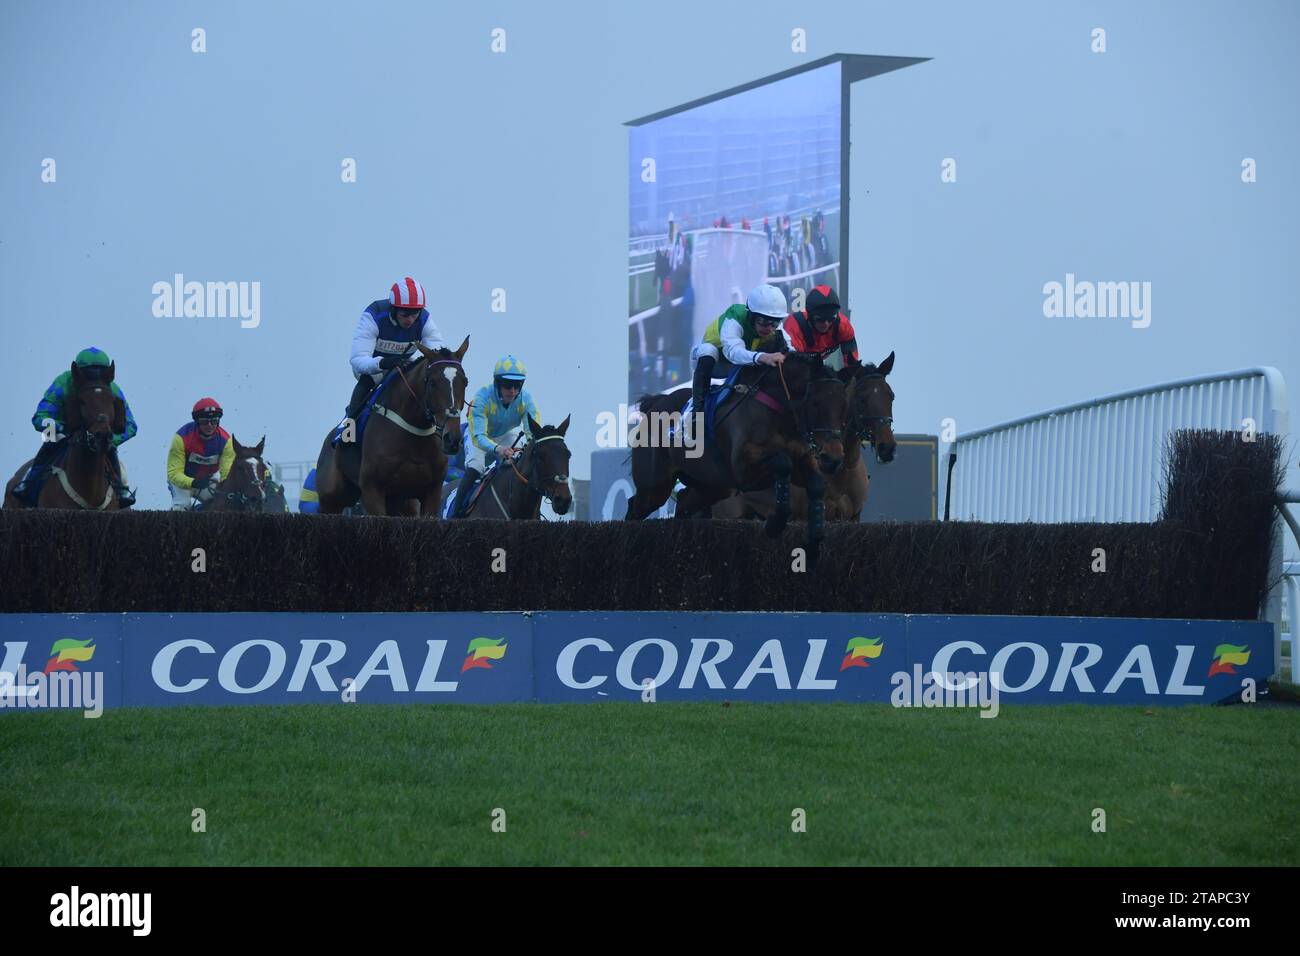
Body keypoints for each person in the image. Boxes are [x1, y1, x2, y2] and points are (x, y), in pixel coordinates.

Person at [13, 347, 137, 507]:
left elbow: (131, 426)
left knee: (111, 450)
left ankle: (121, 490)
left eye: (100, 372)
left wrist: (111, 438)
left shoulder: (113, 389)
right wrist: (61, 429)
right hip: (60, 429)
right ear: (78, 373)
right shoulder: (62, 383)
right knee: (49, 442)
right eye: (91, 372)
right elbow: (40, 417)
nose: (96, 377)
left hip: (98, 434)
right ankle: (28, 484)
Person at [685, 284, 788, 439]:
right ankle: (697, 411)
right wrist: (762, 357)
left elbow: (792, 349)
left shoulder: (774, 329)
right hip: (715, 362)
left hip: (740, 364)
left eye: (774, 323)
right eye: (763, 321)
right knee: (709, 350)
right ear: (751, 316)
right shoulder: (735, 318)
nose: (768, 328)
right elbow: (732, 352)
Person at [345, 277, 446, 420]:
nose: (410, 320)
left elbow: (437, 357)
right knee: (367, 381)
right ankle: (348, 431)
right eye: (404, 314)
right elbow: (357, 359)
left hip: (402, 365)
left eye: (415, 314)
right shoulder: (374, 315)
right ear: (393, 309)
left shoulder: (424, 320)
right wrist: (382, 363)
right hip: (373, 368)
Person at [454, 355, 540, 518]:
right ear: (498, 383)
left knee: (520, 461)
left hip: (504, 436)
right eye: (508, 385)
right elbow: (479, 436)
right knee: (476, 467)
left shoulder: (526, 399)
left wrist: (529, 447)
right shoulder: (481, 398)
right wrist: (498, 449)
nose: (513, 391)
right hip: (478, 438)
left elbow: (531, 432)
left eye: (517, 385)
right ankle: (456, 514)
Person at [166, 397, 235, 510]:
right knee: (182, 506)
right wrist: (193, 482)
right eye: (204, 422)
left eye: (214, 421)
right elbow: (174, 474)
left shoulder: (226, 441)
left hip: (207, 480)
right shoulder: (180, 438)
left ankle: (199, 512)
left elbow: (226, 475)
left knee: (223, 504)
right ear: (197, 421)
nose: (209, 426)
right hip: (181, 479)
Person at [783, 285, 859, 371]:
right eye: (820, 319)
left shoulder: (843, 325)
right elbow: (795, 368)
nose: (826, 324)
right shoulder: (794, 326)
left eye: (831, 319)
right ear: (810, 316)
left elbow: (852, 366)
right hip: (795, 366)